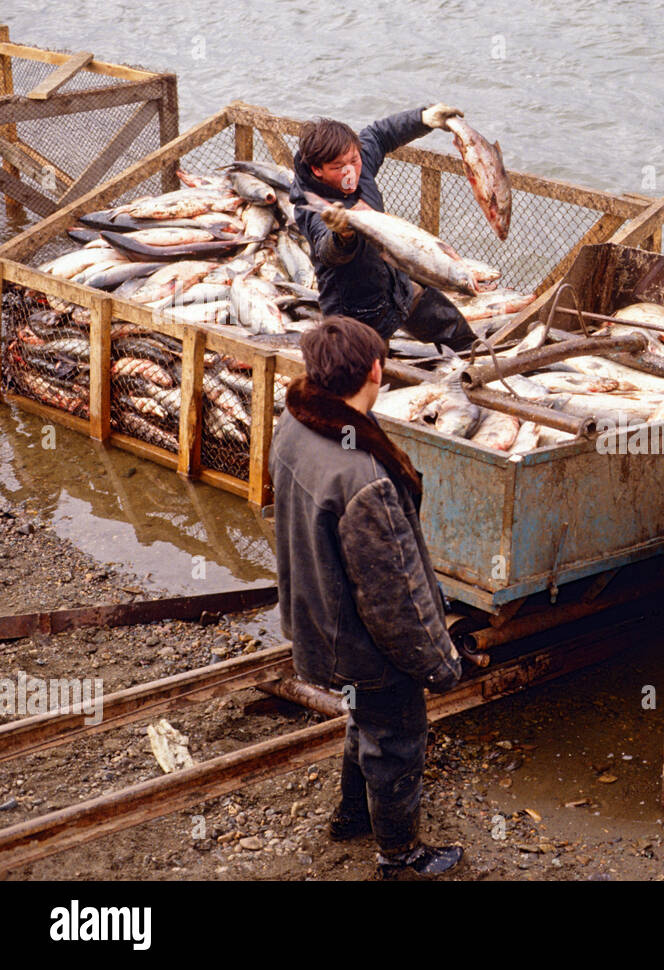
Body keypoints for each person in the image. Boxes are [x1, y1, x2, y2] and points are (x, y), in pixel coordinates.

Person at [269, 315, 464, 879]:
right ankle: (399, 856)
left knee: (362, 718)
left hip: (313, 623)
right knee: (397, 736)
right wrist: (437, 663)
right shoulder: (365, 479)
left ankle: (352, 816)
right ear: (376, 370)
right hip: (360, 645)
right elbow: (394, 598)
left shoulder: (296, 426)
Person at [290, 104, 476, 351]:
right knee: (364, 378)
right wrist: (342, 235)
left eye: (354, 160)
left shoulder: (359, 162)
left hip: (396, 287)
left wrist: (423, 118)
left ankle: (477, 366)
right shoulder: (309, 205)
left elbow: (380, 134)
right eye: (338, 167)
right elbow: (326, 249)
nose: (350, 172)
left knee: (459, 335)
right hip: (355, 313)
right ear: (317, 170)